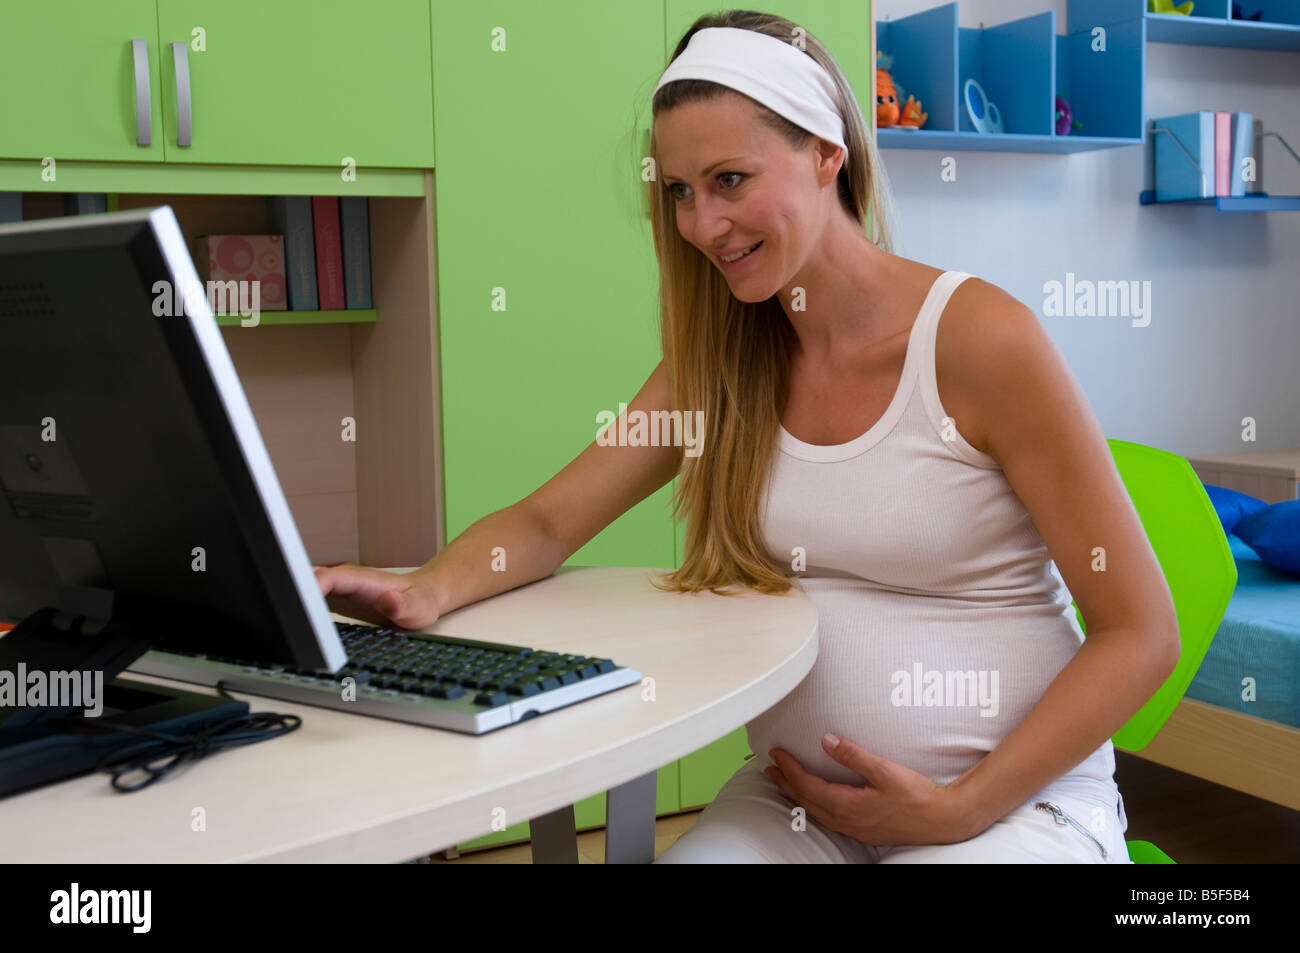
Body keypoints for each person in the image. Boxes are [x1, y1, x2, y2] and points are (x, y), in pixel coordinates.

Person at [314, 9, 1179, 864]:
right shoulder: (720, 361)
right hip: (798, 804)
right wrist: (424, 591)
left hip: (1011, 808)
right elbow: (546, 524)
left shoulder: (981, 340)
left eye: (730, 179)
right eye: (680, 193)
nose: (700, 226)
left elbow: (1141, 633)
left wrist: (960, 809)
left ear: (827, 153)